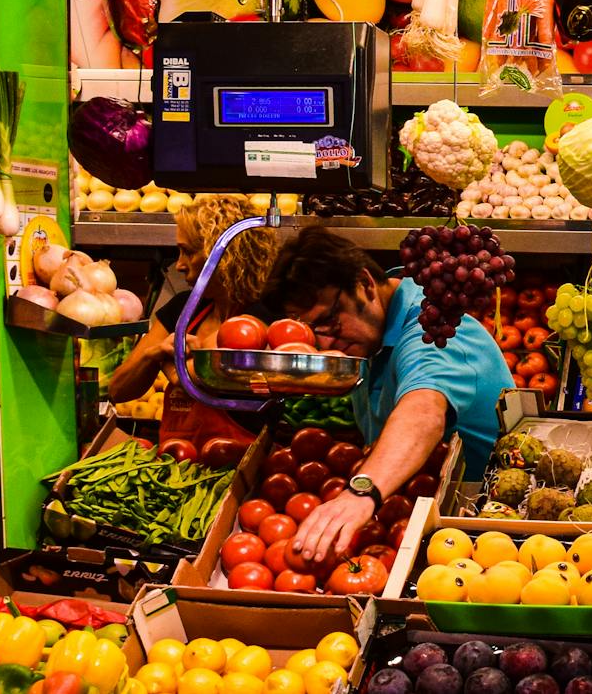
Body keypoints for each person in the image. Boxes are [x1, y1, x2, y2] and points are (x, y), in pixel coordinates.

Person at [259, 227, 508, 563]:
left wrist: (361, 493)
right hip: (414, 516)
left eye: (331, 321)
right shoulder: (374, 329)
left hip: (481, 530)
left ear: (364, 284)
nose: (327, 343)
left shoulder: (430, 330)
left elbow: (424, 411)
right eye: (314, 332)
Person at [107, 194, 279, 407]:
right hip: (176, 440)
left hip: (239, 440)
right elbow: (118, 390)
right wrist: (154, 354)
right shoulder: (183, 307)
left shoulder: (261, 316)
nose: (179, 265)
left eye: (187, 252)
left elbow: (186, 379)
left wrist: (163, 359)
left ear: (225, 255)